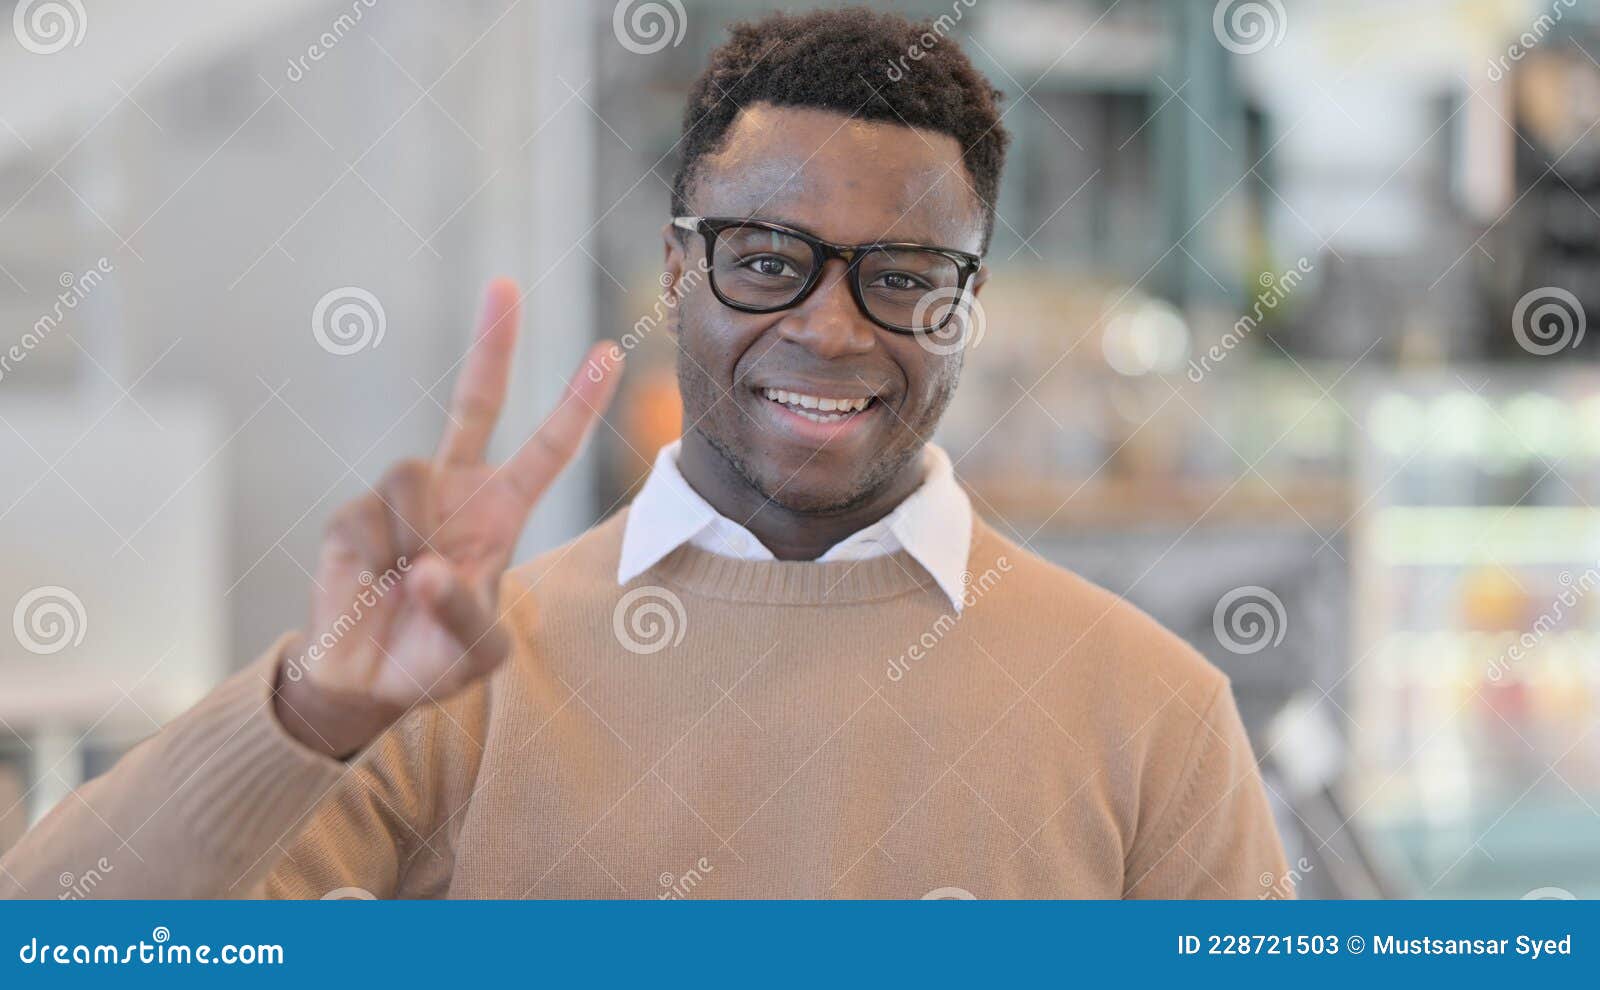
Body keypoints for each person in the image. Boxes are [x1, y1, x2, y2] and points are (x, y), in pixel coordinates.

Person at [0, 8, 1286, 899]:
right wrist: (312, 710)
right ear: (676, 273)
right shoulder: (453, 683)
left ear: (967, 304)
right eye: (766, 261)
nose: (831, 329)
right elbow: (59, 943)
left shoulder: (1152, 713)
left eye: (901, 276)